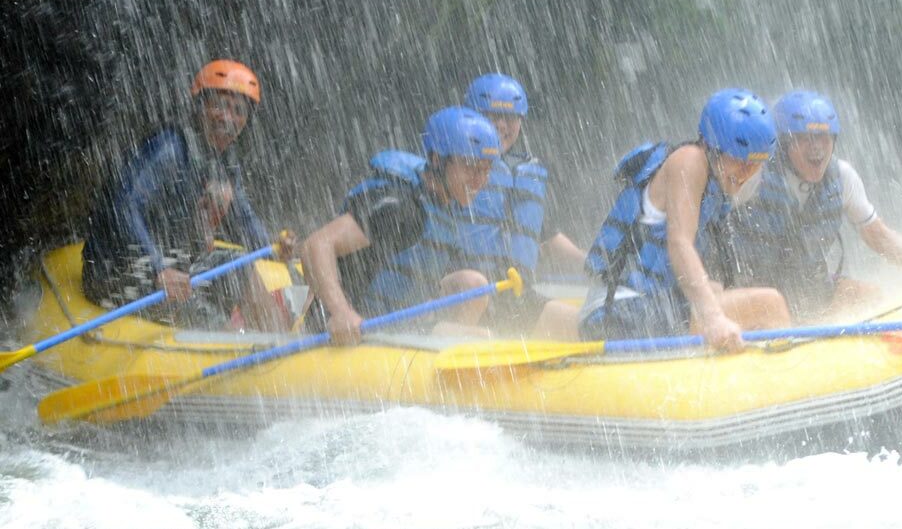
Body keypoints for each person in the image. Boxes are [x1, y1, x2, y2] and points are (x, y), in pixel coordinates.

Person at [81, 59, 290, 331]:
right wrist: (158, 267)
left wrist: (272, 247)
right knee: (198, 309)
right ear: (200, 106)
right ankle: (230, 345)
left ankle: (279, 341)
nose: (229, 118)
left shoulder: (224, 162)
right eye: (220, 105)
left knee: (238, 265)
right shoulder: (169, 149)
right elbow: (124, 206)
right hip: (116, 272)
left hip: (170, 263)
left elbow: (244, 218)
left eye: (239, 111)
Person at [578, 89, 790, 351]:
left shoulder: (715, 181)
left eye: (755, 163)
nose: (747, 172)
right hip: (621, 313)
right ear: (714, 147)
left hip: (640, 307)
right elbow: (679, 244)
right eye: (740, 160)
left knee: (720, 294)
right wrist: (712, 317)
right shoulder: (689, 160)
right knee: (769, 304)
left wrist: (709, 297)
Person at [299, 106, 505, 346]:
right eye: (470, 166)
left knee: (475, 286)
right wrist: (340, 312)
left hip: (397, 327)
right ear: (437, 160)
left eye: (486, 169)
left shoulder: (447, 206)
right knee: (482, 340)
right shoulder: (401, 206)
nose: (479, 180)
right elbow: (317, 244)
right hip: (353, 332)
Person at [728, 90, 902, 317]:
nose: (817, 147)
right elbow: (704, 224)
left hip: (809, 291)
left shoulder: (843, 177)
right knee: (774, 307)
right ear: (783, 144)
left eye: (824, 137)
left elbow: (879, 237)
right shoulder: (753, 175)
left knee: (870, 295)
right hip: (753, 295)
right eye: (805, 138)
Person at [463, 72, 585, 338]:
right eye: (493, 117)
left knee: (581, 323)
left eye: (510, 118)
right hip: (472, 292)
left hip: (517, 292)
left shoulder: (526, 173)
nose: (502, 126)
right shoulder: (456, 167)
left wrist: (590, 263)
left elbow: (547, 236)